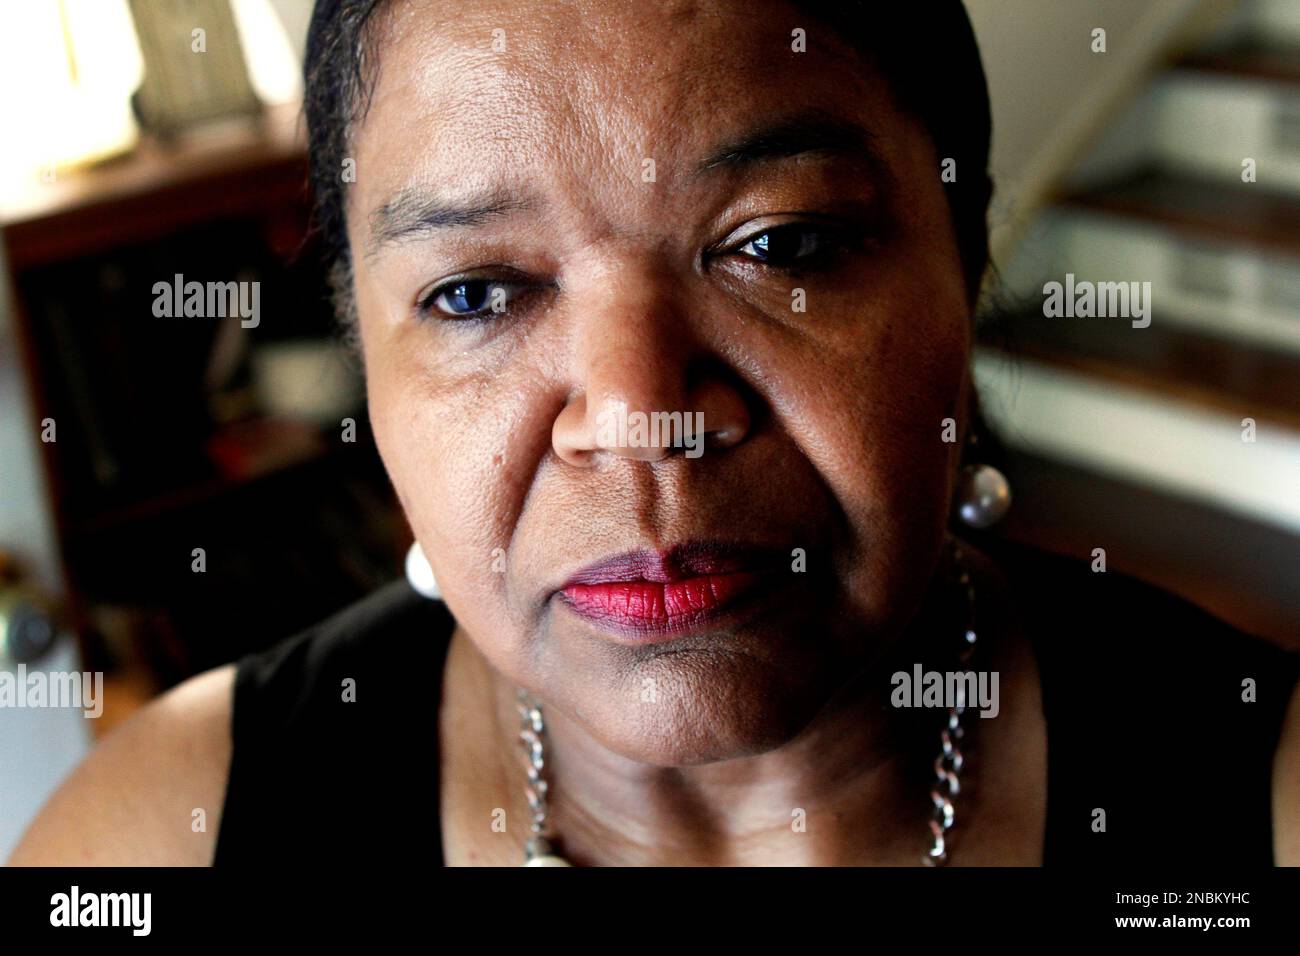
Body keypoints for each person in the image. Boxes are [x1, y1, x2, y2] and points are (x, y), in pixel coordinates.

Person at [10, 0, 1300, 868]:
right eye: (475, 293)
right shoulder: (161, 838)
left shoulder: (1261, 800)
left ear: (963, 268)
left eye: (779, 245)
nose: (640, 420)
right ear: (367, 355)